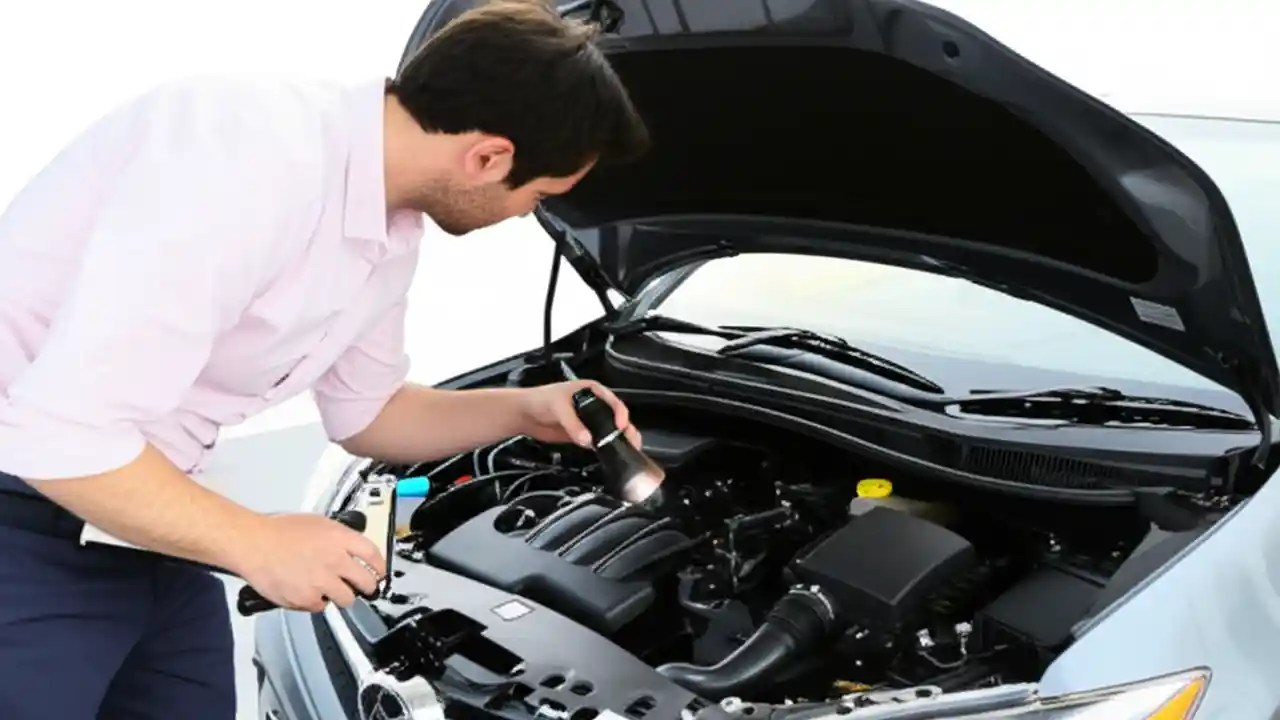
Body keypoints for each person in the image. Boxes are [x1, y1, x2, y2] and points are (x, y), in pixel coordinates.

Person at [0, 0, 650, 717]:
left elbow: (368, 415)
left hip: (145, 514)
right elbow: (61, 435)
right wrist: (257, 542)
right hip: (25, 517)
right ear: (488, 156)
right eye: (537, 194)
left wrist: (523, 410)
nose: (526, 213)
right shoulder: (248, 161)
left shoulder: (388, 223)